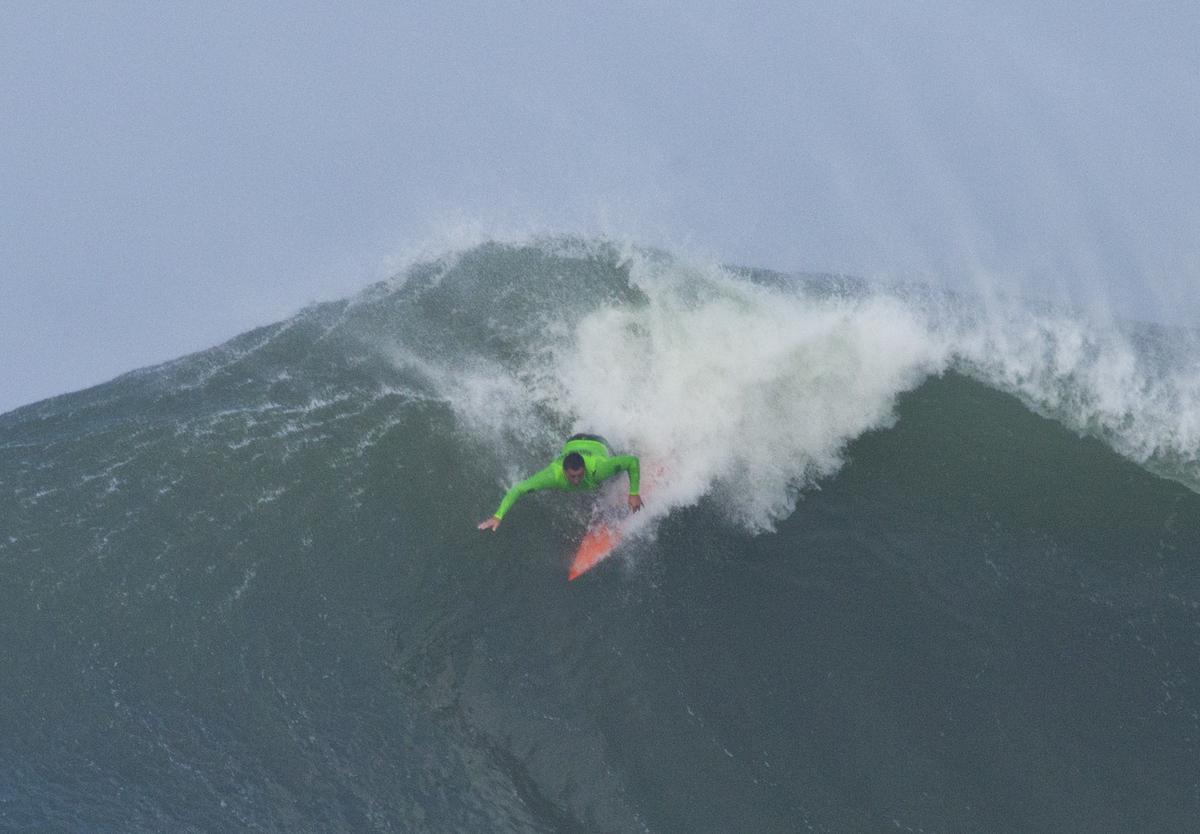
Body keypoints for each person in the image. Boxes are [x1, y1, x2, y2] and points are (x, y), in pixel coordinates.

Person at [477, 433, 642, 531]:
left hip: (598, 443)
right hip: (573, 441)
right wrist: (498, 516)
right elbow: (519, 489)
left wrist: (633, 493)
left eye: (579, 475)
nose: (576, 480)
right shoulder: (554, 475)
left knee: (613, 478)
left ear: (584, 468)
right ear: (564, 471)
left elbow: (631, 461)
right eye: (572, 477)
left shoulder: (597, 470)